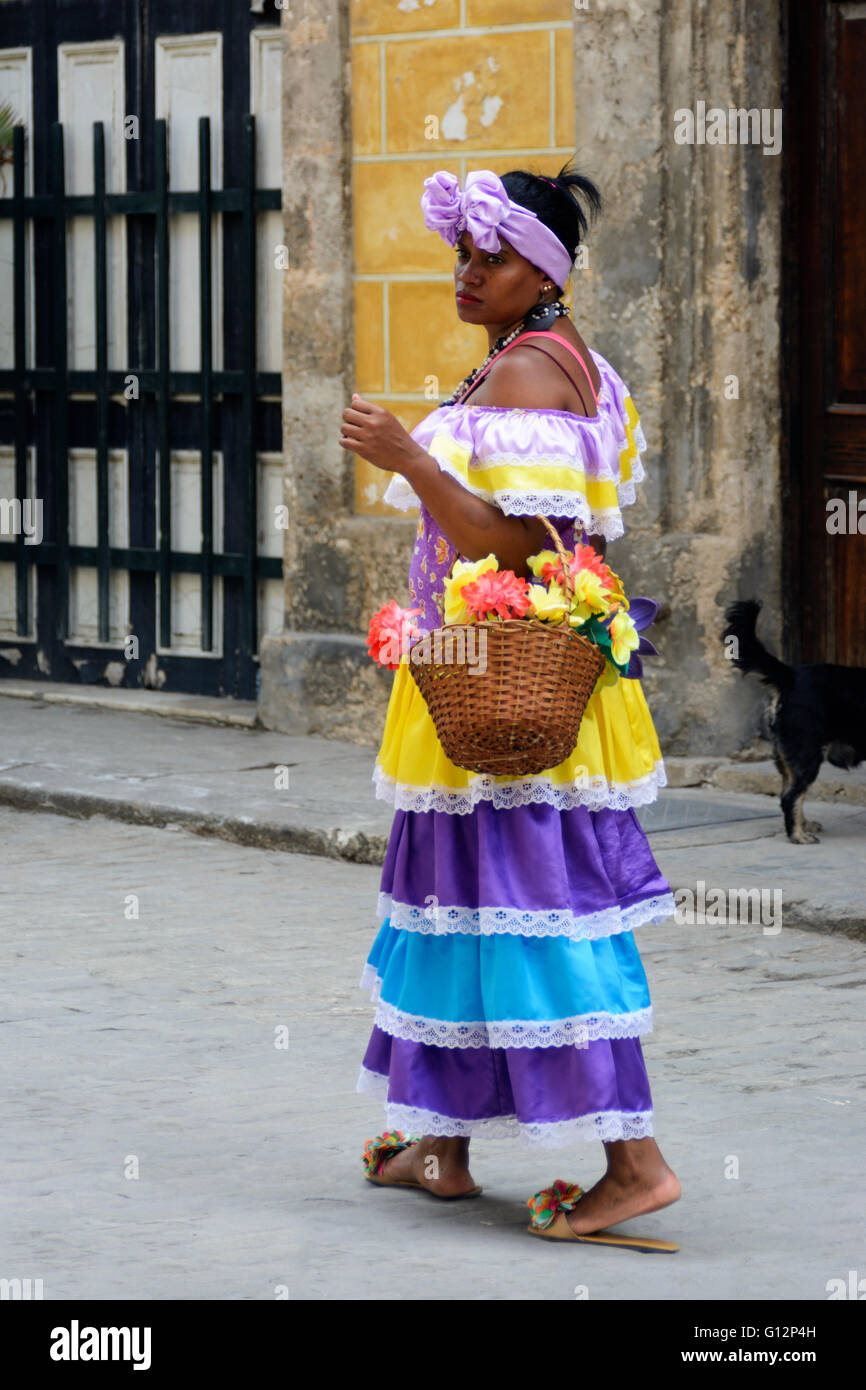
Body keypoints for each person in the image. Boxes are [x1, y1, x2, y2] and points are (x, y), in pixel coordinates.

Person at [339, 163, 682, 1246]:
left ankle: (633, 1164)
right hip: (475, 671)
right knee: (462, 905)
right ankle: (439, 1140)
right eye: (461, 255)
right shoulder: (523, 358)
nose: (465, 273)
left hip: (511, 683)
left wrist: (404, 455)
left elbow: (520, 542)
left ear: (542, 269)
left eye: (489, 258)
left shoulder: (534, 373)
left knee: (542, 914)